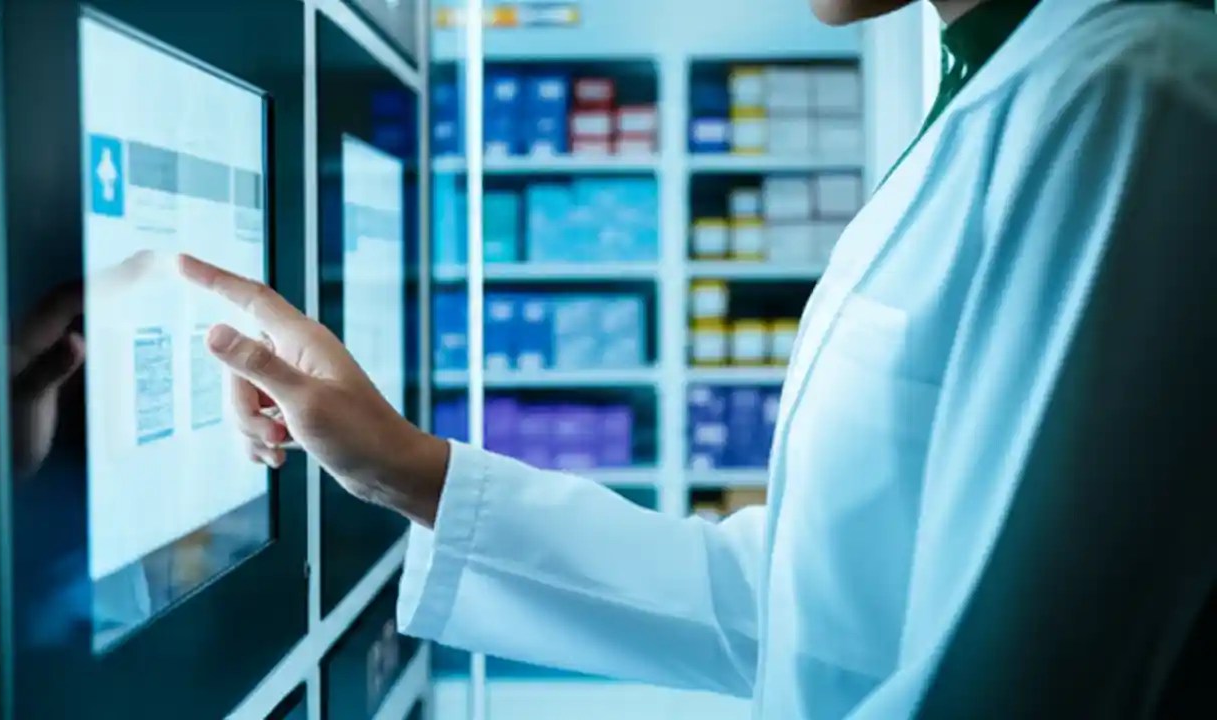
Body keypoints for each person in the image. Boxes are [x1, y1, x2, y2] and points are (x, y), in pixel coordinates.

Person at [180, 0, 1217, 716]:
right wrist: (403, 466)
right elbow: (811, 604)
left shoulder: (1128, 96)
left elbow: (1030, 679)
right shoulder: (1010, 87)